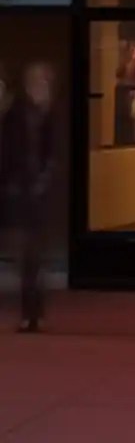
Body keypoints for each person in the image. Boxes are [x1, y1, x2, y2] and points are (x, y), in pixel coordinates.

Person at [2, 62, 56, 333]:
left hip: (37, 196)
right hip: (20, 193)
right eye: (37, 83)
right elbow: (10, 153)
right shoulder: (17, 115)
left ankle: (34, 312)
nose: (41, 88)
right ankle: (30, 312)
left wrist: (43, 182)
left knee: (33, 257)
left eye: (45, 84)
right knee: (26, 257)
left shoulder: (47, 117)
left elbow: (51, 155)